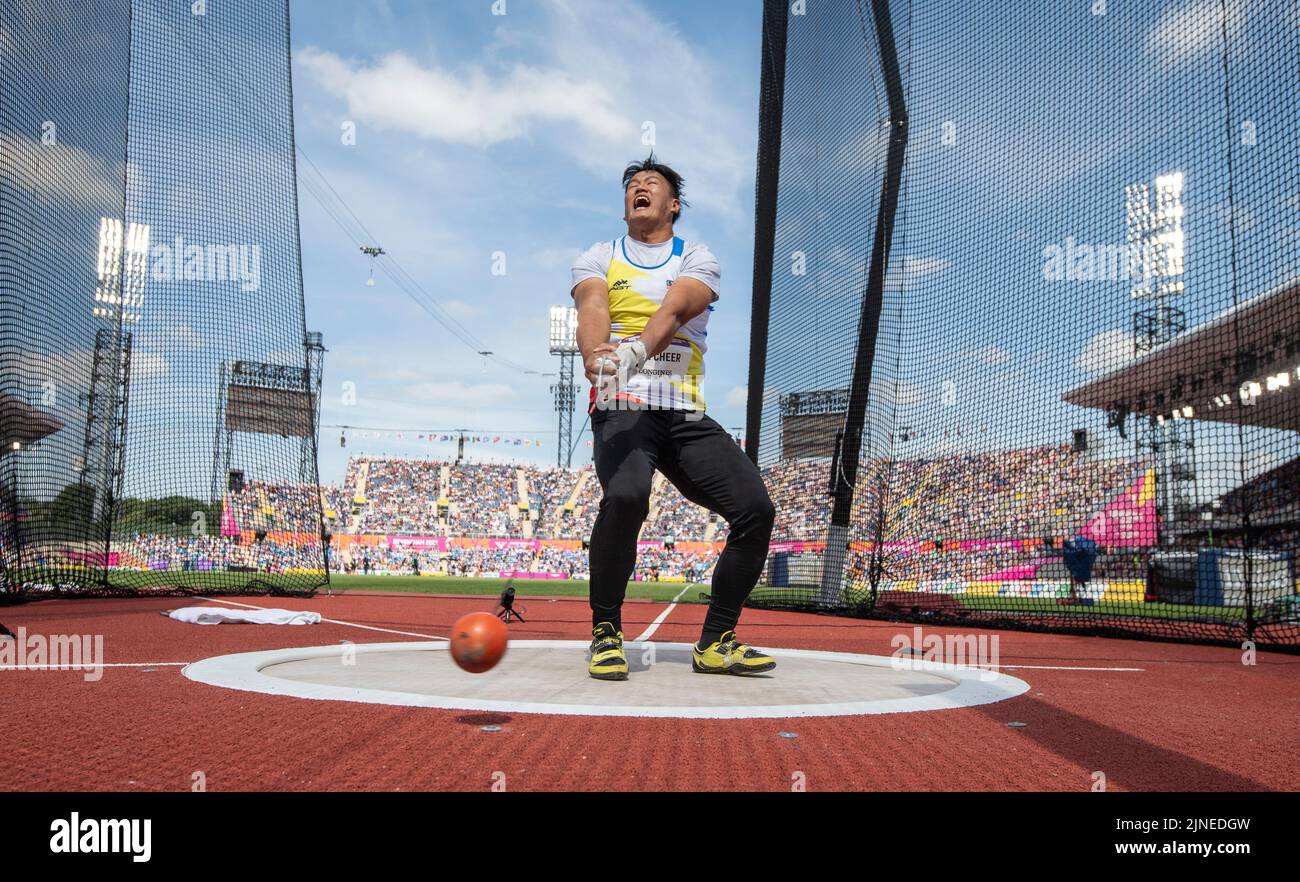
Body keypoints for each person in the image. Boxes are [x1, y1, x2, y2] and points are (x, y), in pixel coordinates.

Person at [570, 153, 777, 681]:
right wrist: (596, 357)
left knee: (756, 509)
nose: (639, 188)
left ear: (673, 204)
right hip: (623, 406)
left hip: (683, 412)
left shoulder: (696, 256)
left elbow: (675, 310)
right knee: (626, 496)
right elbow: (592, 309)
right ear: (625, 208)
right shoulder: (599, 256)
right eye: (632, 185)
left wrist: (632, 354)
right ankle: (606, 631)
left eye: (651, 183)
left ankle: (716, 642)